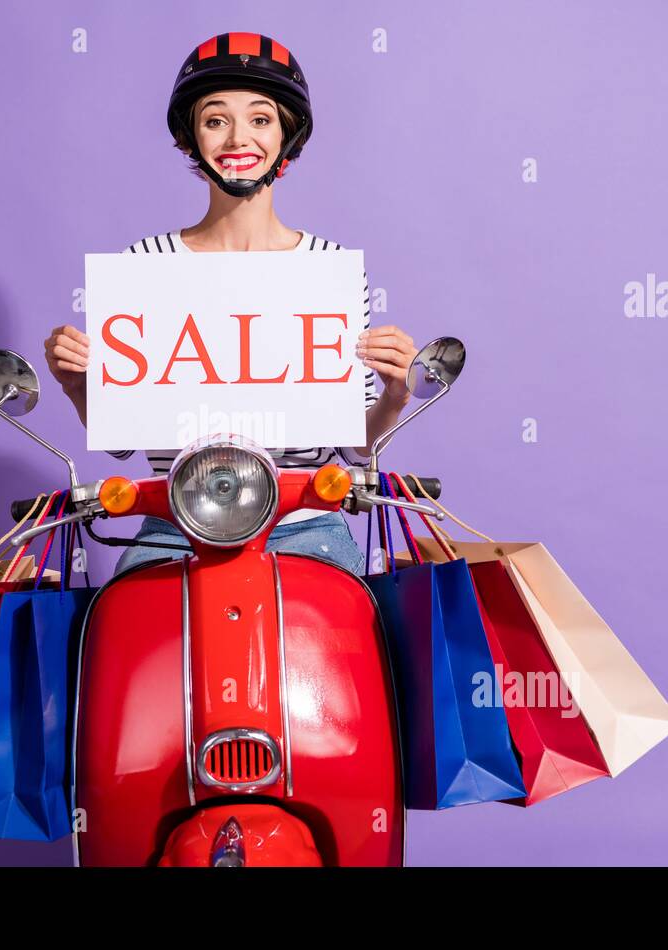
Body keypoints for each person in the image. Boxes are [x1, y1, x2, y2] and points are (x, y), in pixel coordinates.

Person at [43, 32, 418, 578]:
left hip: (303, 520)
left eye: (261, 119)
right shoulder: (144, 263)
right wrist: (77, 383)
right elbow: (123, 444)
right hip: (174, 522)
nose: (238, 136)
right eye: (216, 119)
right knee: (113, 630)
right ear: (192, 138)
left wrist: (396, 390)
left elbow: (355, 449)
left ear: (287, 136)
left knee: (359, 637)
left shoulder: (328, 267)